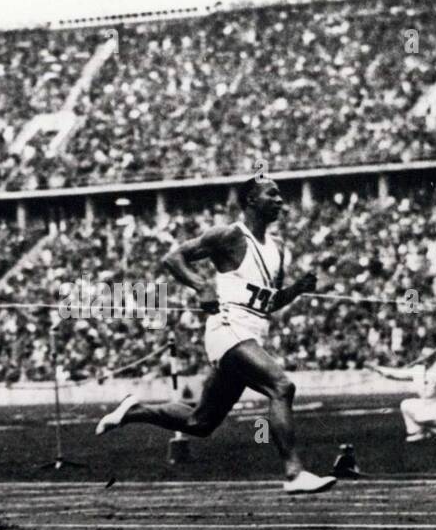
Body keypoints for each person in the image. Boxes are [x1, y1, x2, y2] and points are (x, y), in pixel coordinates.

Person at [94, 173, 336, 494]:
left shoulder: (277, 249)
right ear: (251, 200)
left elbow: (271, 302)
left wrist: (297, 290)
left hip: (250, 332)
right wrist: (201, 284)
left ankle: (132, 411)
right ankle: (294, 474)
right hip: (226, 329)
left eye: (280, 196)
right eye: (272, 194)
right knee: (281, 386)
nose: (280, 201)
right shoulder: (229, 236)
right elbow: (172, 257)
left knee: (201, 423)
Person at [368, 342, 436, 443]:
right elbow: (395, 374)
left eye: (428, 355)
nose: (424, 357)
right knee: (406, 405)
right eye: (423, 355)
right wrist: (376, 368)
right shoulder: (417, 369)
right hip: (428, 403)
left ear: (435, 357)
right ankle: (418, 432)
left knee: (427, 416)